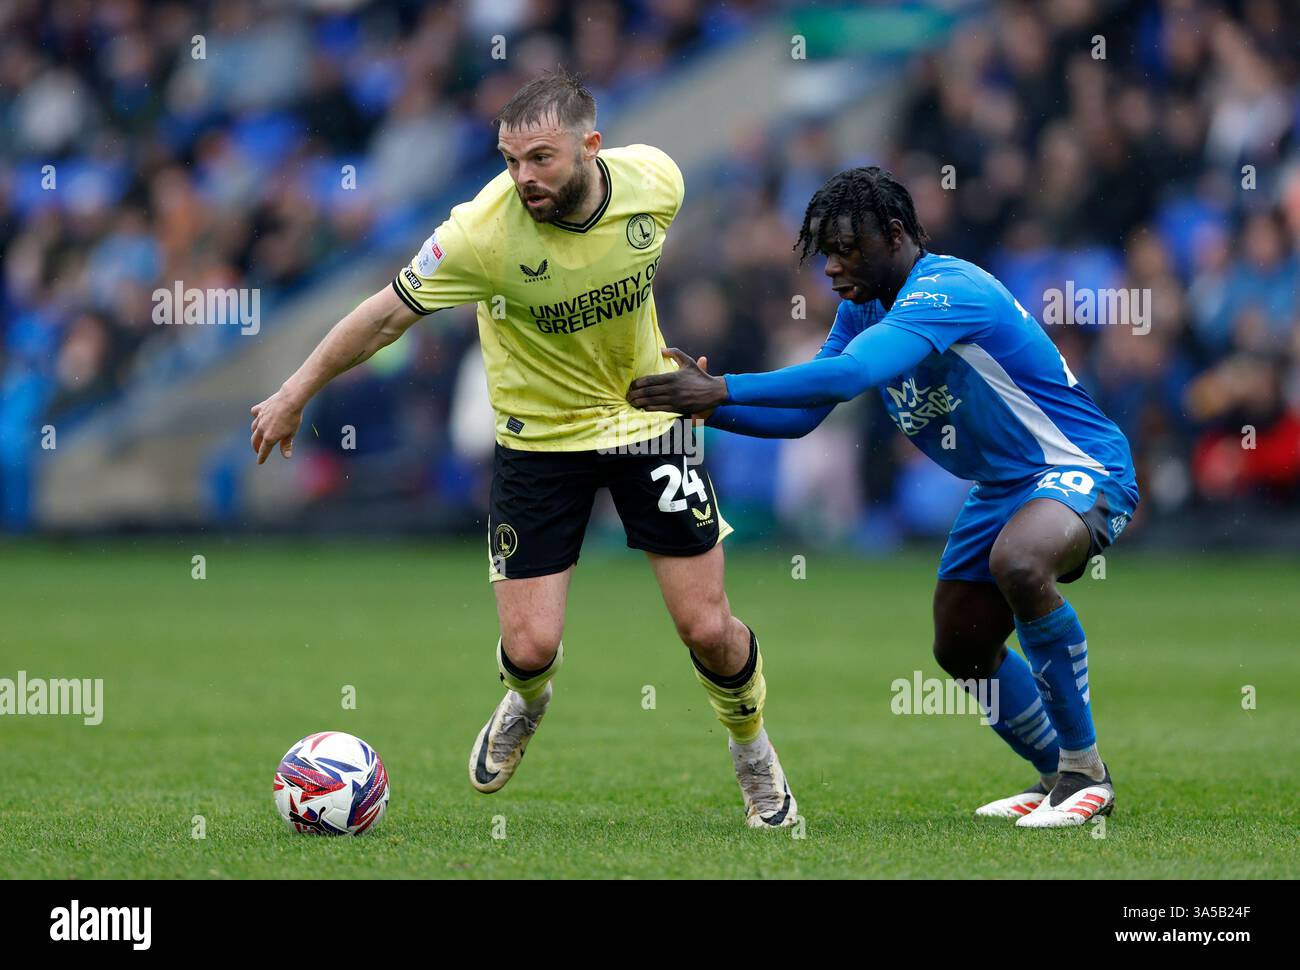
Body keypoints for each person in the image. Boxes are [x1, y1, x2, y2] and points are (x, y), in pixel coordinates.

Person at [250, 69, 797, 828]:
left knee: (707, 627)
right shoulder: (481, 231)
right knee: (531, 645)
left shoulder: (657, 183)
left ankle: (753, 754)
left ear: (592, 147)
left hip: (646, 418)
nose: (522, 177)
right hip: (537, 440)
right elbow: (381, 318)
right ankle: (526, 701)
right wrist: (293, 393)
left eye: (540, 158)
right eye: (510, 160)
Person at [628, 166, 1140, 827]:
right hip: (1006, 487)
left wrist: (720, 387)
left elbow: (850, 374)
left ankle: (1083, 771)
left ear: (894, 235)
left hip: (1079, 465)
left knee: (1020, 563)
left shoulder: (947, 289)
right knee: (960, 646)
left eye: (847, 250)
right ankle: (1053, 777)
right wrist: (701, 407)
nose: (833, 269)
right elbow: (808, 410)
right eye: (825, 255)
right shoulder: (863, 307)